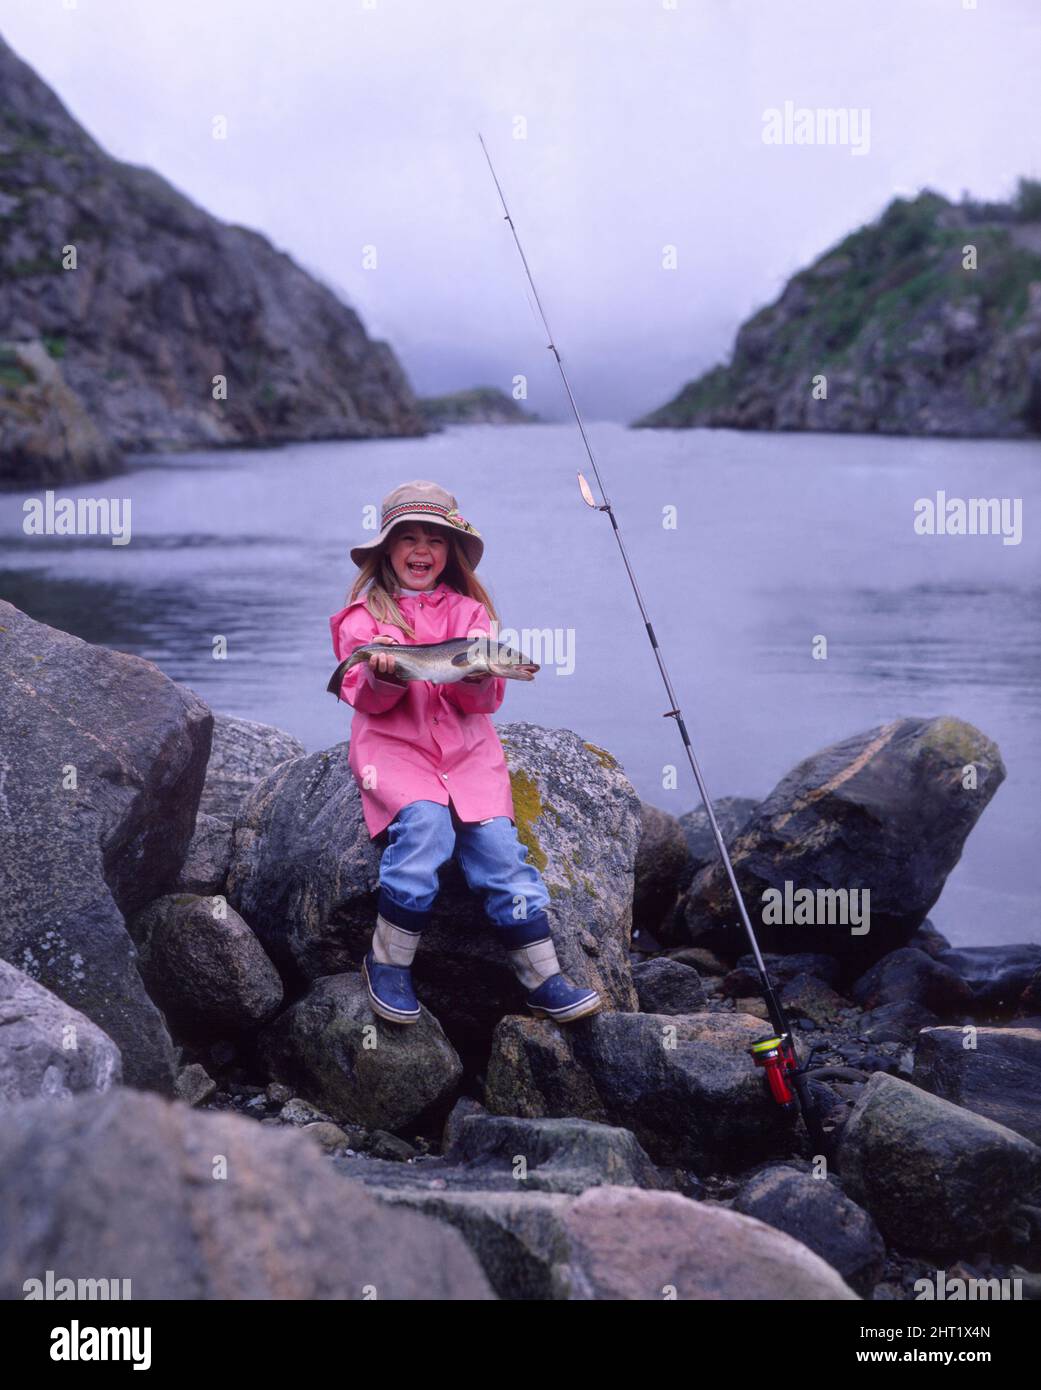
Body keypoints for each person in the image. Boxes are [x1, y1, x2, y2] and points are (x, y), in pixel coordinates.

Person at [329, 479, 602, 1028]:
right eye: (408, 538)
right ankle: (387, 963)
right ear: (387, 549)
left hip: (469, 757)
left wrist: (477, 675)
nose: (421, 550)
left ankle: (542, 978)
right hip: (396, 751)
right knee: (426, 828)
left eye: (435, 539)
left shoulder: (472, 616)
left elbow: (485, 701)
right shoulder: (364, 618)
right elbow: (363, 699)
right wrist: (385, 678)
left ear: (451, 551)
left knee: (502, 849)